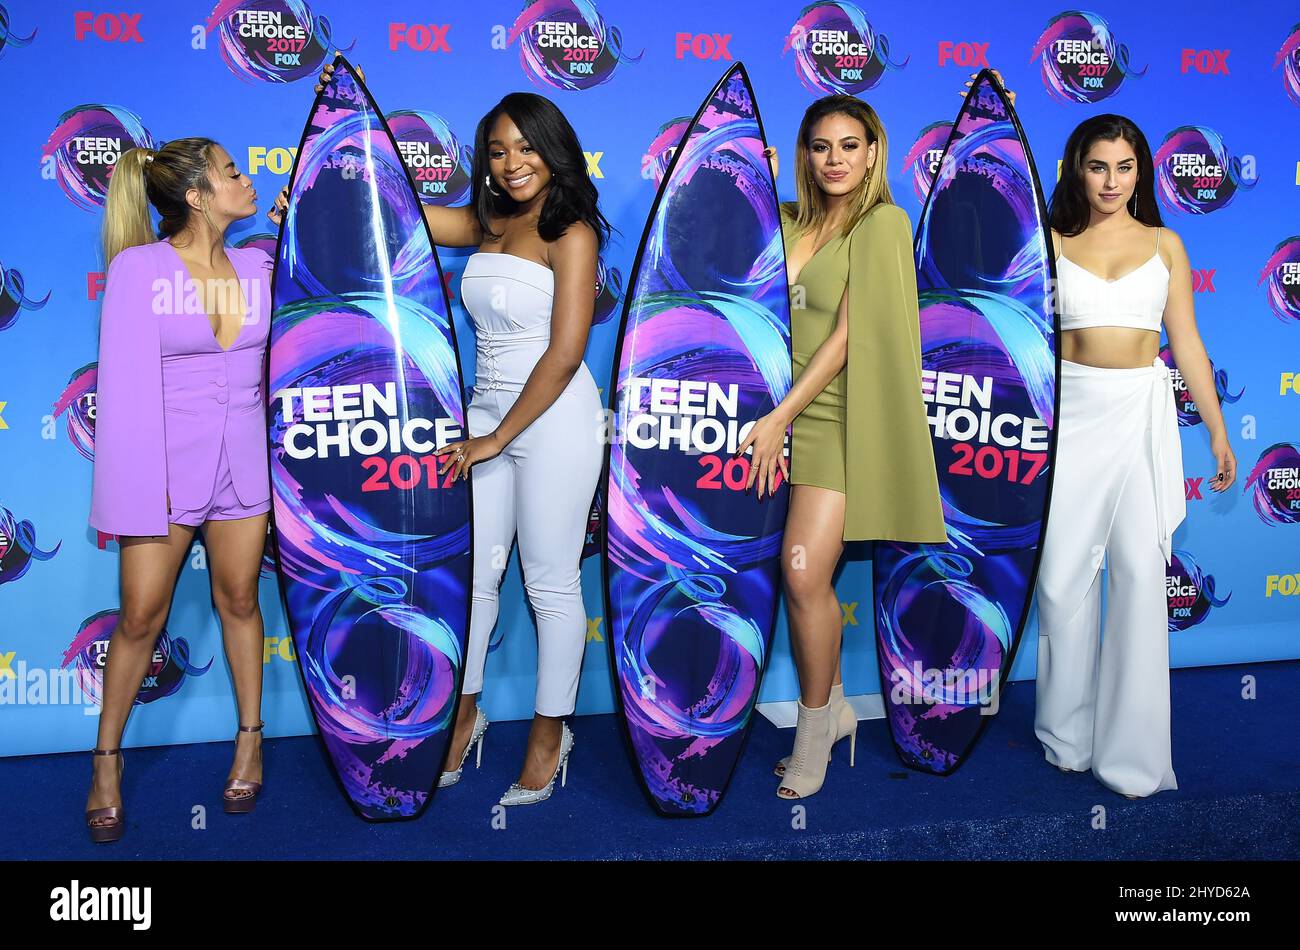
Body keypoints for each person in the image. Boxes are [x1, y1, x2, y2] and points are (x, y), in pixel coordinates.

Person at [309, 62, 609, 806]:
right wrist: (324, 189)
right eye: (498, 151)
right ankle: (463, 716)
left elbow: (567, 351)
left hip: (555, 417)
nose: (511, 164)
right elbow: (401, 208)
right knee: (473, 579)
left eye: (524, 149)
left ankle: (549, 734)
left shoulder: (569, 231)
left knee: (549, 582)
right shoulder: (490, 221)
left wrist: (495, 437)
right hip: (483, 417)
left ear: (553, 150)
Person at [739, 95, 948, 799]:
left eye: (850, 145)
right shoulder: (793, 220)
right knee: (784, 573)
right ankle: (833, 714)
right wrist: (743, 174)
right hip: (763, 411)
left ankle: (816, 726)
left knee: (801, 572)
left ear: (873, 152)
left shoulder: (883, 223)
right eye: (822, 146)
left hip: (832, 415)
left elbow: (848, 339)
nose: (836, 159)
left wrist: (781, 419)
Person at [1034, 114, 1237, 799]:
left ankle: (1133, 757)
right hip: (1073, 417)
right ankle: (1066, 735)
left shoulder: (1166, 244)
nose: (1111, 181)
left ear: (1141, 172)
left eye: (1124, 167)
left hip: (1142, 412)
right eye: (1098, 167)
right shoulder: (1052, 244)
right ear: (1078, 169)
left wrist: (1215, 429)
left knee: (1140, 579)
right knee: (1062, 582)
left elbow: (1188, 344)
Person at [85, 137, 275, 842]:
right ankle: (107, 761)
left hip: (244, 468)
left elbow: (323, 235)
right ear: (197, 196)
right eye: (231, 173)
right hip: (161, 472)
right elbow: (124, 386)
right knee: (139, 617)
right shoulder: (141, 270)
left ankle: (249, 742)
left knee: (240, 601)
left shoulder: (260, 265)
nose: (245, 179)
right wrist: (136, 490)